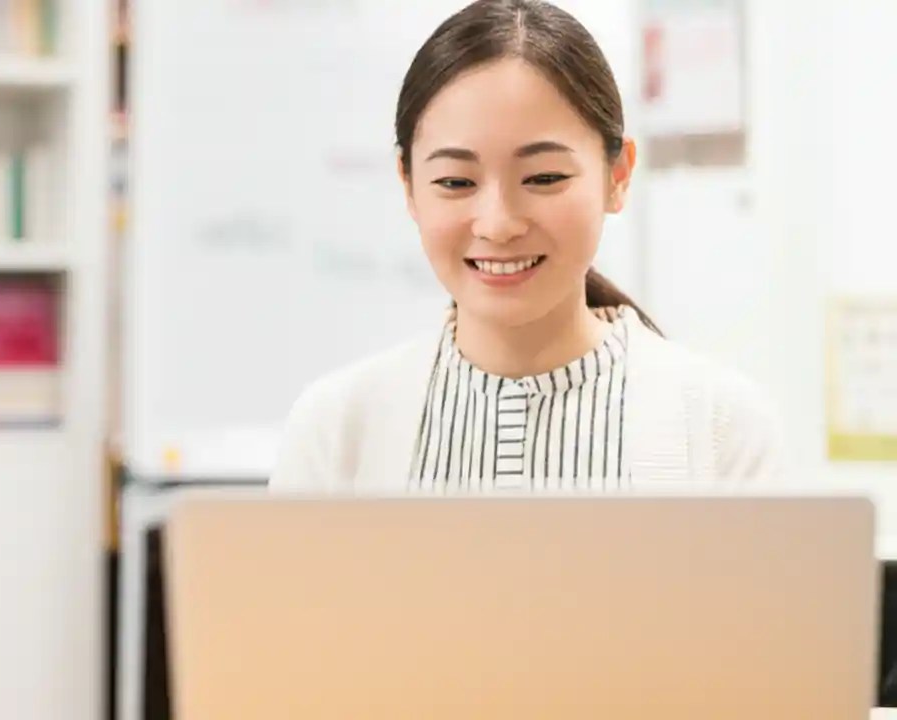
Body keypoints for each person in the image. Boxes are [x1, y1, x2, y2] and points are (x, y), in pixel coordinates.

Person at [269, 0, 782, 493]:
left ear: (618, 175)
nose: (498, 224)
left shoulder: (722, 428)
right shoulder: (335, 432)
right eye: (455, 182)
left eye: (543, 176)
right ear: (408, 185)